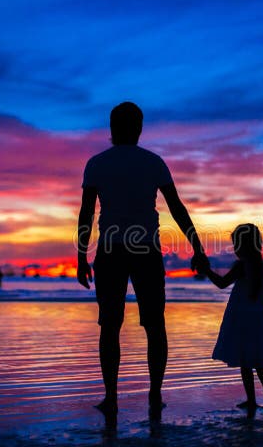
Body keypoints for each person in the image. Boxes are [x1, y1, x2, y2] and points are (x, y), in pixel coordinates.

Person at [76, 102, 208, 416]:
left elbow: (85, 214)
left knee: (110, 326)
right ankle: (154, 393)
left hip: (110, 251)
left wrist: (81, 256)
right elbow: (177, 208)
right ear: (139, 128)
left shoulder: (96, 164)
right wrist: (197, 247)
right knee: (154, 324)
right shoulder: (153, 162)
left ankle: (111, 397)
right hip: (145, 250)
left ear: (112, 128)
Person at [196, 223, 263, 414]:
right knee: (259, 358)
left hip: (241, 319)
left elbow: (221, 283)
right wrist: (260, 307)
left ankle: (251, 400)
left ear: (242, 245)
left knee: (245, 360)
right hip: (259, 319)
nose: (235, 248)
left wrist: (207, 271)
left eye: (236, 244)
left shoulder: (241, 266)